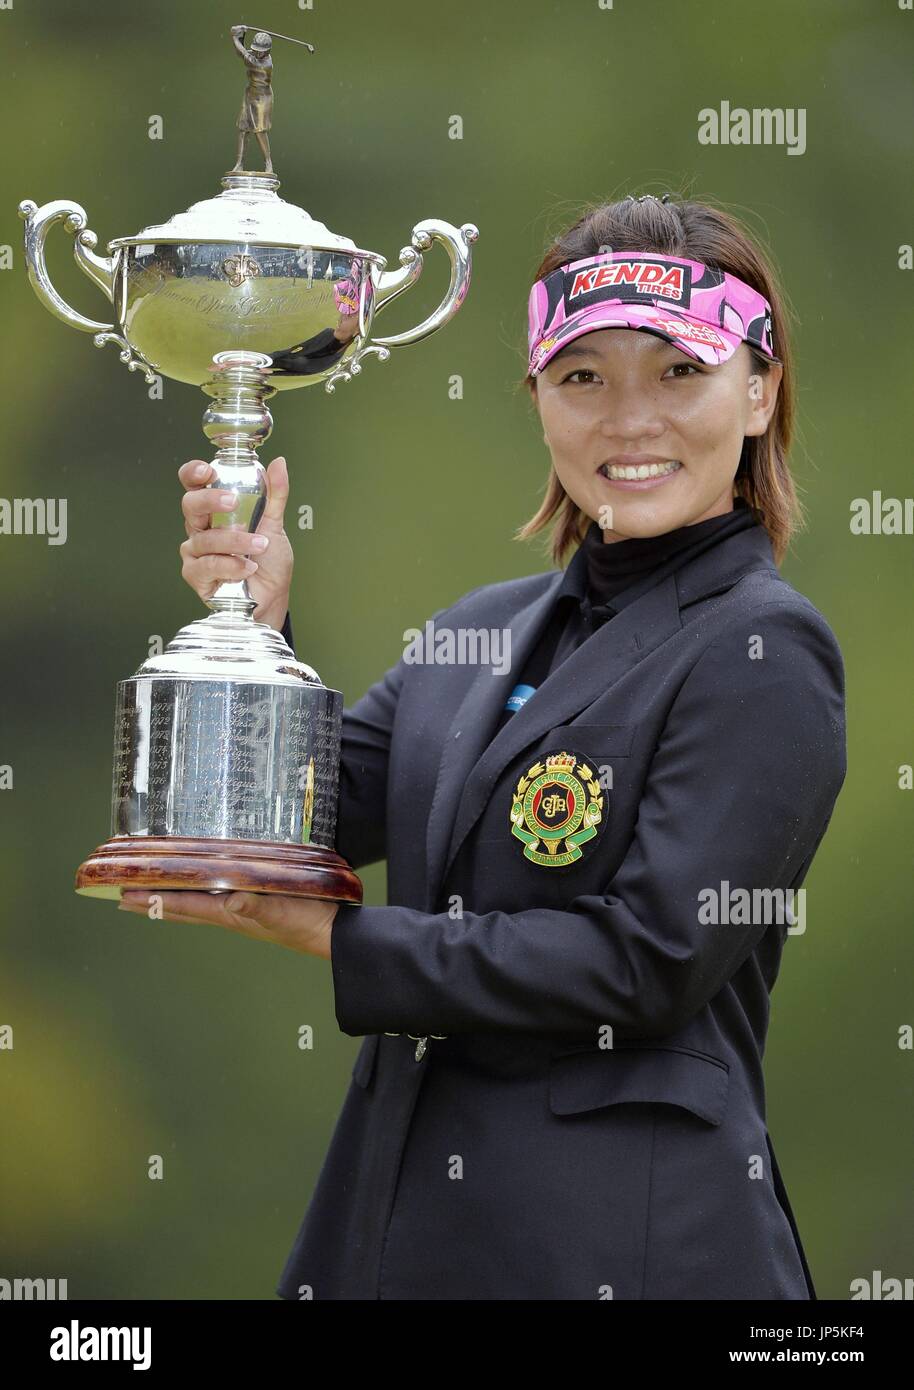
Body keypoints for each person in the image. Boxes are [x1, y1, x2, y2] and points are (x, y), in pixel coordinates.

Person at [120, 193, 847, 1300]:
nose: (628, 418)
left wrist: (342, 941)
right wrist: (252, 634)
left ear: (759, 391)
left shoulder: (763, 648)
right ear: (540, 401)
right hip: (389, 1235)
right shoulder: (480, 631)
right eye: (582, 376)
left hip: (631, 1254)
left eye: (676, 372)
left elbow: (643, 961)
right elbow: (316, 812)